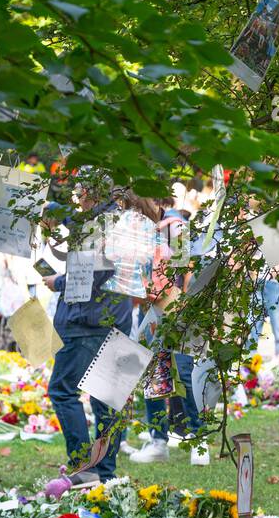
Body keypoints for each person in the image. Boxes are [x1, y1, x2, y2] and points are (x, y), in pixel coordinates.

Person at [43, 188, 142, 485]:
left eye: (78, 191)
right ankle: (105, 473)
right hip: (118, 319)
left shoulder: (97, 226)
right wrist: (53, 209)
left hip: (88, 321)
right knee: (108, 401)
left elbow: (91, 276)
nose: (75, 195)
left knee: (63, 390)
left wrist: (58, 281)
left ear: (90, 192)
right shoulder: (120, 221)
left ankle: (84, 467)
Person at [131, 199, 209, 465]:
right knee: (153, 373)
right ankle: (158, 440)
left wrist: (184, 301)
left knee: (183, 372)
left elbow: (188, 268)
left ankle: (198, 439)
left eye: (140, 206)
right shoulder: (138, 229)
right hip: (147, 307)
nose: (138, 212)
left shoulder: (174, 226)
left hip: (175, 306)